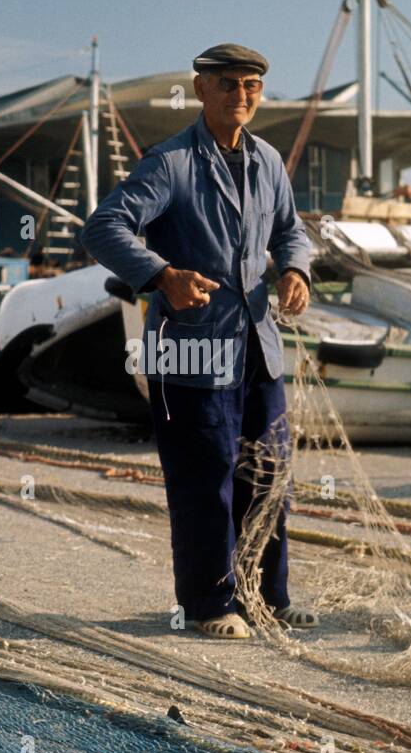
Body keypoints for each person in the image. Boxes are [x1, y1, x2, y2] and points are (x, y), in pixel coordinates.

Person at [81, 42, 318, 640]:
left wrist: (295, 270)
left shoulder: (267, 161)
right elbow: (104, 227)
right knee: (203, 476)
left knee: (268, 473)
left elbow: (292, 232)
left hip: (257, 344)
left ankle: (269, 595)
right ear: (201, 89)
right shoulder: (169, 163)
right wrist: (162, 275)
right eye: (231, 84)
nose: (242, 95)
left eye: (253, 86)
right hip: (191, 350)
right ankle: (209, 604)